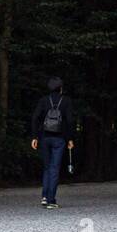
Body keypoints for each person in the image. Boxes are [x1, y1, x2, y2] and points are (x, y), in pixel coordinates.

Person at [30, 77, 76, 208]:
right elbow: (70, 121)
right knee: (55, 168)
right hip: (59, 139)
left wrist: (34, 137)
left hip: (44, 137)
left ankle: (44, 196)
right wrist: (70, 139)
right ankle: (51, 200)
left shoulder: (43, 100)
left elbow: (35, 118)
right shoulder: (66, 101)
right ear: (61, 88)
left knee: (47, 167)